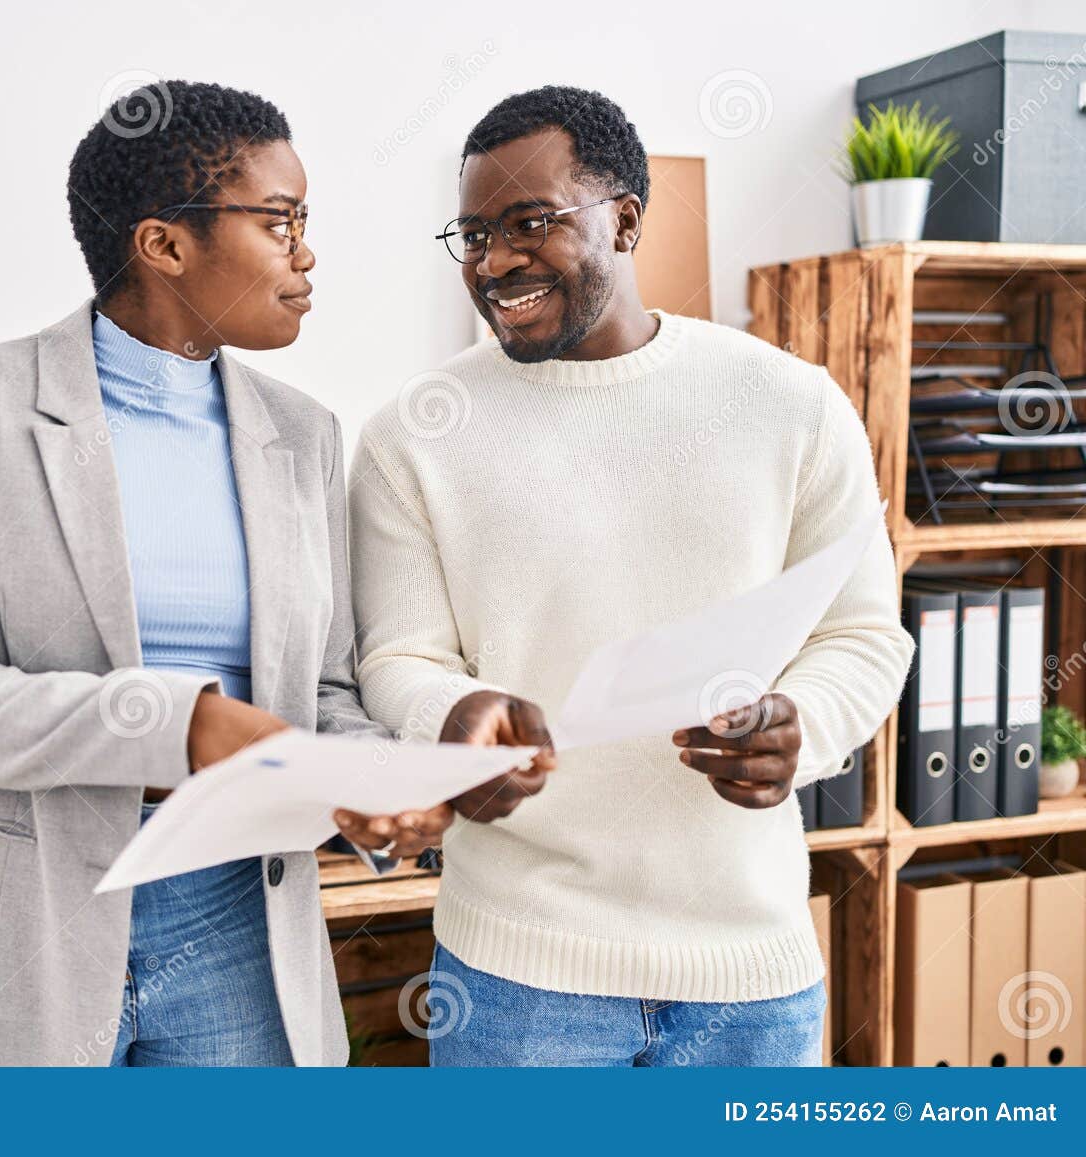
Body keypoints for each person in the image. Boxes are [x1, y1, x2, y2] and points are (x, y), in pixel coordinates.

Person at [0, 80, 457, 1067]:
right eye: (279, 221)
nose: (307, 253)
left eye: (306, 222)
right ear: (164, 245)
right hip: (14, 932)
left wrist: (370, 778)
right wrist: (180, 724)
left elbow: (322, 690)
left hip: (240, 940)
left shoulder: (304, 434)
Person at [349, 85, 915, 1066]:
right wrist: (452, 715)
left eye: (529, 222)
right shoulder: (414, 431)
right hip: (515, 977)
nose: (494, 262)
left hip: (752, 979)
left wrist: (801, 723)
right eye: (473, 234)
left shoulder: (789, 403)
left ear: (625, 219)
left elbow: (863, 632)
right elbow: (398, 653)